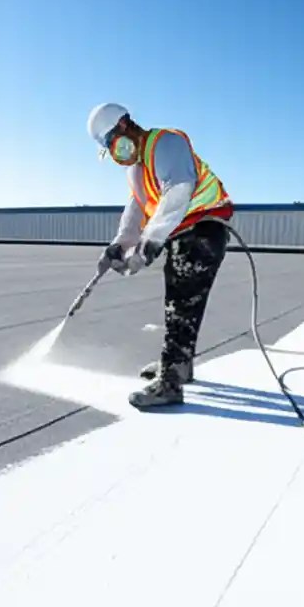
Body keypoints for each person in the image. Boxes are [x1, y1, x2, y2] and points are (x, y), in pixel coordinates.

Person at [85, 102, 234, 409]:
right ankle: (179, 365)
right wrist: (119, 245)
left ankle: (170, 383)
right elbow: (136, 209)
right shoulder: (137, 169)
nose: (115, 154)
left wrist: (149, 243)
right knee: (177, 300)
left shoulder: (166, 143)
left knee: (182, 302)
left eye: (112, 143)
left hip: (204, 228)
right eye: (109, 150)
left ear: (124, 125)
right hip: (182, 233)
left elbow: (178, 191)